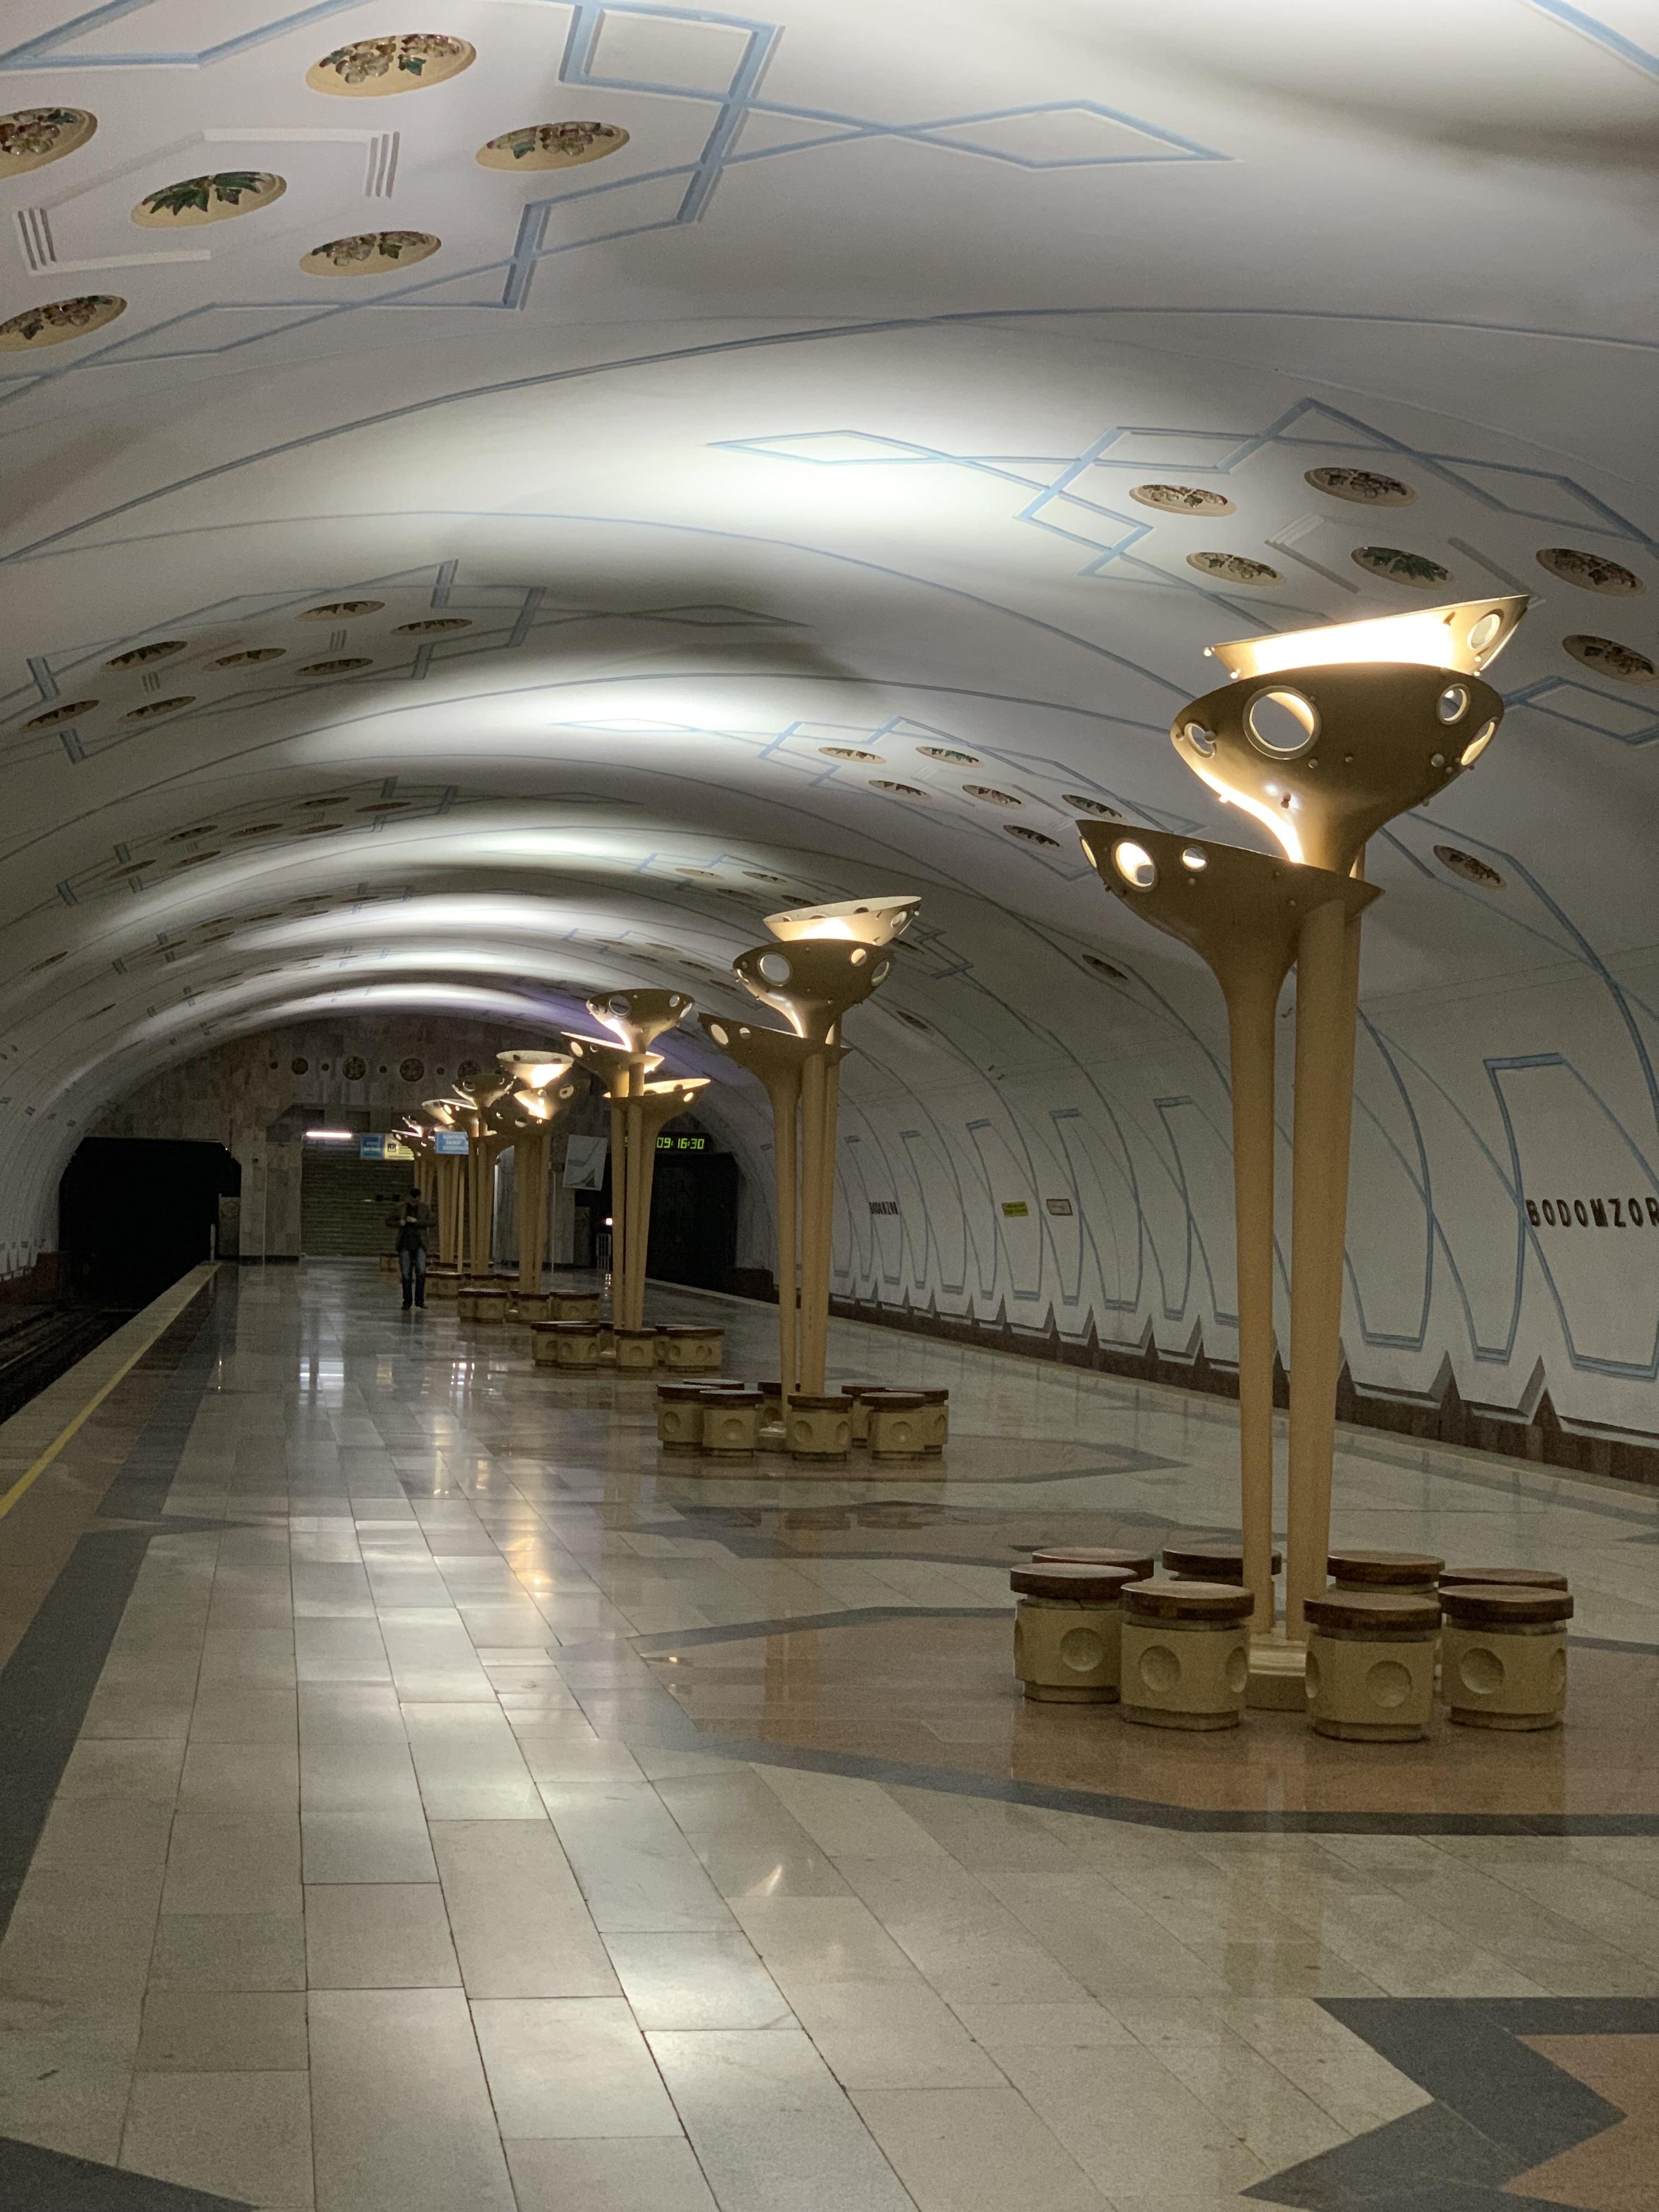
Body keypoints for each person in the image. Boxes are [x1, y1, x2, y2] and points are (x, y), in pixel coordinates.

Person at [387, 1190, 433, 1310]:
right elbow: (389, 1221)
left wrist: (417, 1222)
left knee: (421, 1272)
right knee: (406, 1274)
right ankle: (407, 1301)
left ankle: (420, 1301)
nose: (414, 1203)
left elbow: (433, 1221)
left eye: (416, 1201)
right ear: (408, 1198)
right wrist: (400, 1223)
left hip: (420, 1244)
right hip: (405, 1244)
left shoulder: (424, 1208)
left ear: (419, 1198)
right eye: (412, 1201)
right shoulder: (401, 1208)